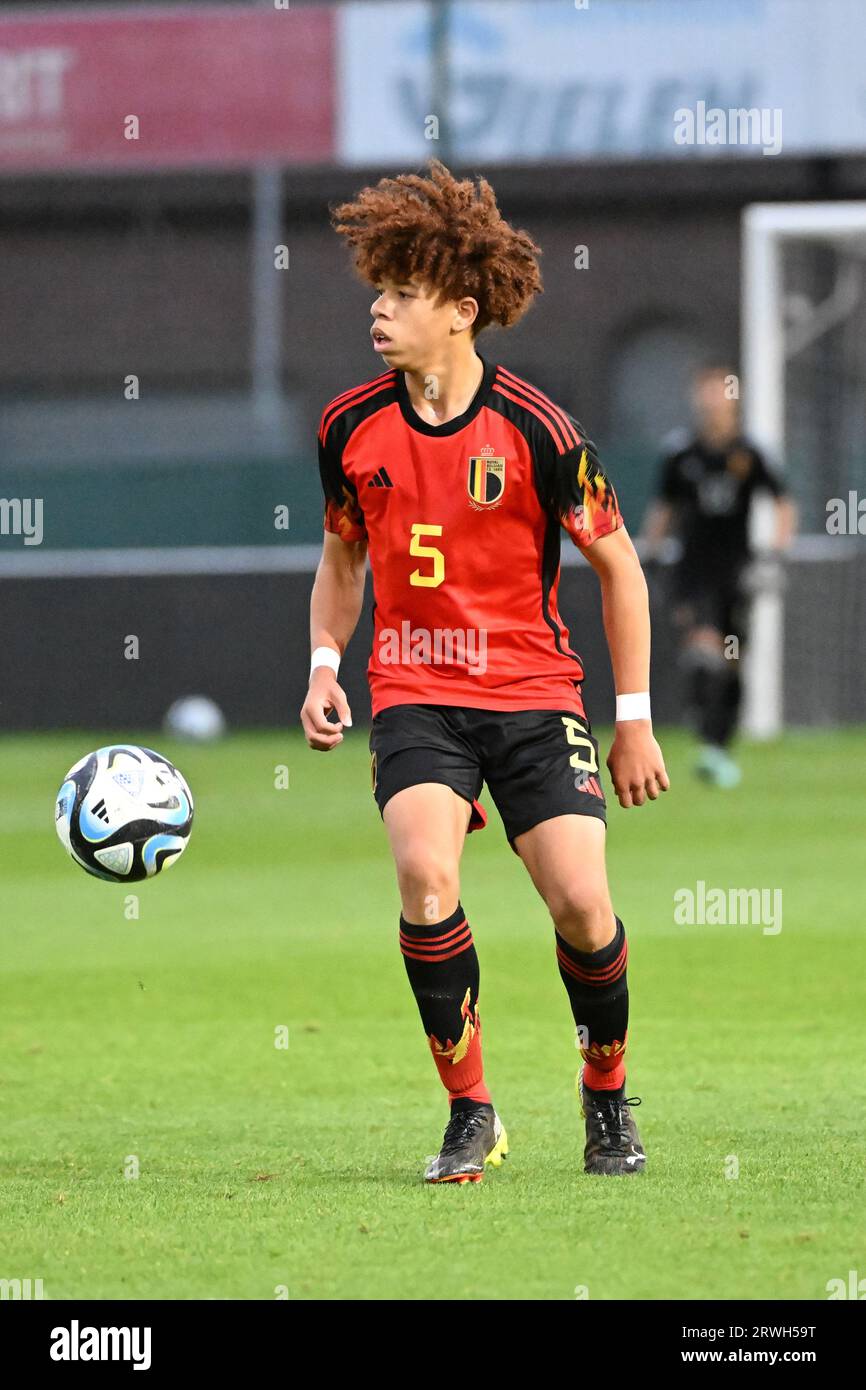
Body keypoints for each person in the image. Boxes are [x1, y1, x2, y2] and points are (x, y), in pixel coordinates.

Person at [301, 160, 668, 1183]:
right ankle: (471, 1113)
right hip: (415, 690)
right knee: (423, 872)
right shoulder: (347, 427)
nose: (378, 311)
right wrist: (325, 665)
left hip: (531, 692)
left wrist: (630, 719)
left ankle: (604, 1094)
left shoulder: (539, 431)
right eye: (377, 292)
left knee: (580, 908)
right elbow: (341, 560)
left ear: (460, 311)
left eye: (400, 296)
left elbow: (620, 567)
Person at [642, 365, 797, 787]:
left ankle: (717, 746)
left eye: (720, 390)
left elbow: (783, 504)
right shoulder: (681, 453)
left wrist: (775, 556)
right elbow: (663, 507)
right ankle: (702, 720)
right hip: (692, 573)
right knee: (703, 649)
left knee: (732, 660)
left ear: (734, 397)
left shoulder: (751, 451)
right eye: (705, 390)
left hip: (737, 573)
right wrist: (649, 554)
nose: (712, 399)